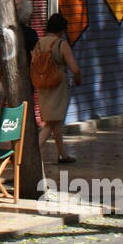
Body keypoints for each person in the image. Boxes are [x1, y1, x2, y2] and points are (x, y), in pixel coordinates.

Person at [33, 13, 81, 163]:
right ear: (61, 29)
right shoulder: (61, 44)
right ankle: (32, 154)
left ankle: (62, 154)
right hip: (58, 87)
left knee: (55, 121)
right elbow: (74, 68)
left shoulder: (39, 44)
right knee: (51, 123)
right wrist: (78, 79)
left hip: (42, 85)